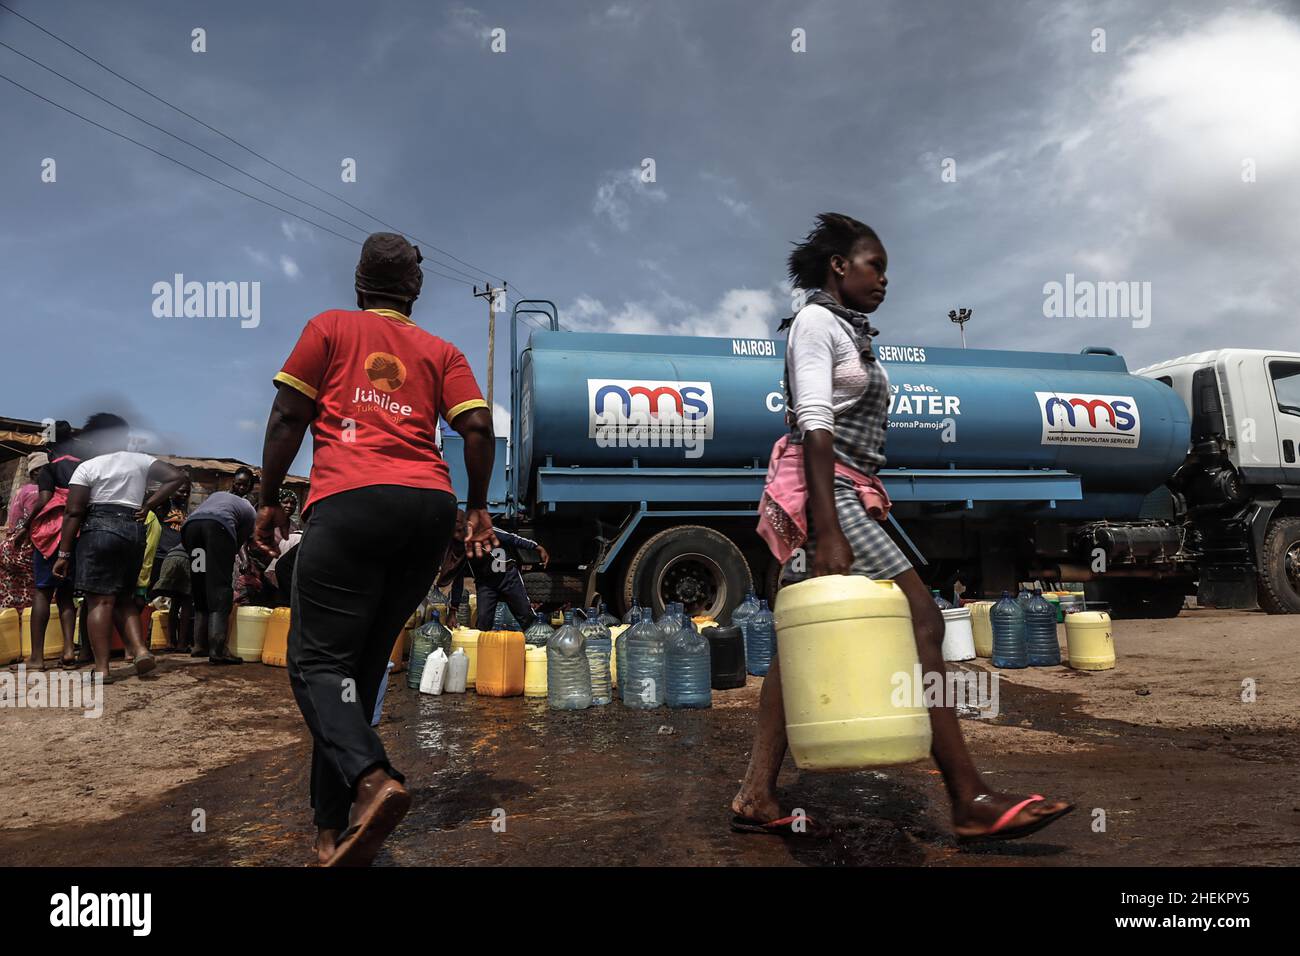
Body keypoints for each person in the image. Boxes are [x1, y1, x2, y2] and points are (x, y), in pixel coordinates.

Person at [732, 214, 1073, 843]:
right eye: (875, 265)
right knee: (921, 617)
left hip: (844, 488)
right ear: (839, 265)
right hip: (827, 493)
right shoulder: (814, 324)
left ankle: (756, 793)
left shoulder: (849, 332)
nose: (885, 279)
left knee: (796, 646)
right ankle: (968, 796)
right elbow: (812, 422)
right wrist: (828, 527)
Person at [254, 232, 496, 867]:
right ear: (414, 290)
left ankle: (371, 780)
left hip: (352, 501)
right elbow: (476, 426)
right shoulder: (441, 351)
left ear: (359, 284)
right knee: (353, 677)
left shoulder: (329, 328)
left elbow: (286, 417)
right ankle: (332, 831)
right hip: (427, 512)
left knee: (314, 663)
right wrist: (476, 507)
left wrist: (267, 497)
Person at [51, 414, 187, 681]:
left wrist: (64, 553)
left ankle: (102, 668)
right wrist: (148, 505)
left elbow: (74, 512)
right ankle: (139, 650)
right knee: (125, 597)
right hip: (133, 530)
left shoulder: (88, 467)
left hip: (99, 529)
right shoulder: (141, 460)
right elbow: (176, 477)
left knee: (99, 601)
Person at [20, 421, 82, 667]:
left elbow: (44, 499)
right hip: (76, 535)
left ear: (50, 445)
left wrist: (25, 525)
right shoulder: (83, 467)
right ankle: (69, 651)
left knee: (43, 592)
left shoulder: (50, 469)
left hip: (52, 535)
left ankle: (37, 657)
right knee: (67, 595)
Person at [181, 489, 257, 663]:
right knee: (219, 591)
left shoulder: (217, 496)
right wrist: (220, 560)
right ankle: (218, 650)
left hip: (191, 531)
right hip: (217, 529)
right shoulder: (250, 511)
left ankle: (199, 645)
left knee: (200, 587)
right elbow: (238, 542)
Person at [439, 509, 549, 630]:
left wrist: (536, 547)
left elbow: (512, 538)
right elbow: (458, 581)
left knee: (526, 616)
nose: (458, 536)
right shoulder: (458, 550)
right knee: (483, 623)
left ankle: (538, 638)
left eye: (460, 530)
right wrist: (453, 611)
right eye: (454, 533)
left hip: (507, 577)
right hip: (485, 584)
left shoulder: (485, 530)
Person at [0, 452, 43, 611]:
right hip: (23, 547)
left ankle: (13, 626)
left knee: (12, 589)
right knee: (39, 590)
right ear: (36, 472)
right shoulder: (36, 492)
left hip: (9, 547)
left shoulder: (23, 490)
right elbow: (33, 524)